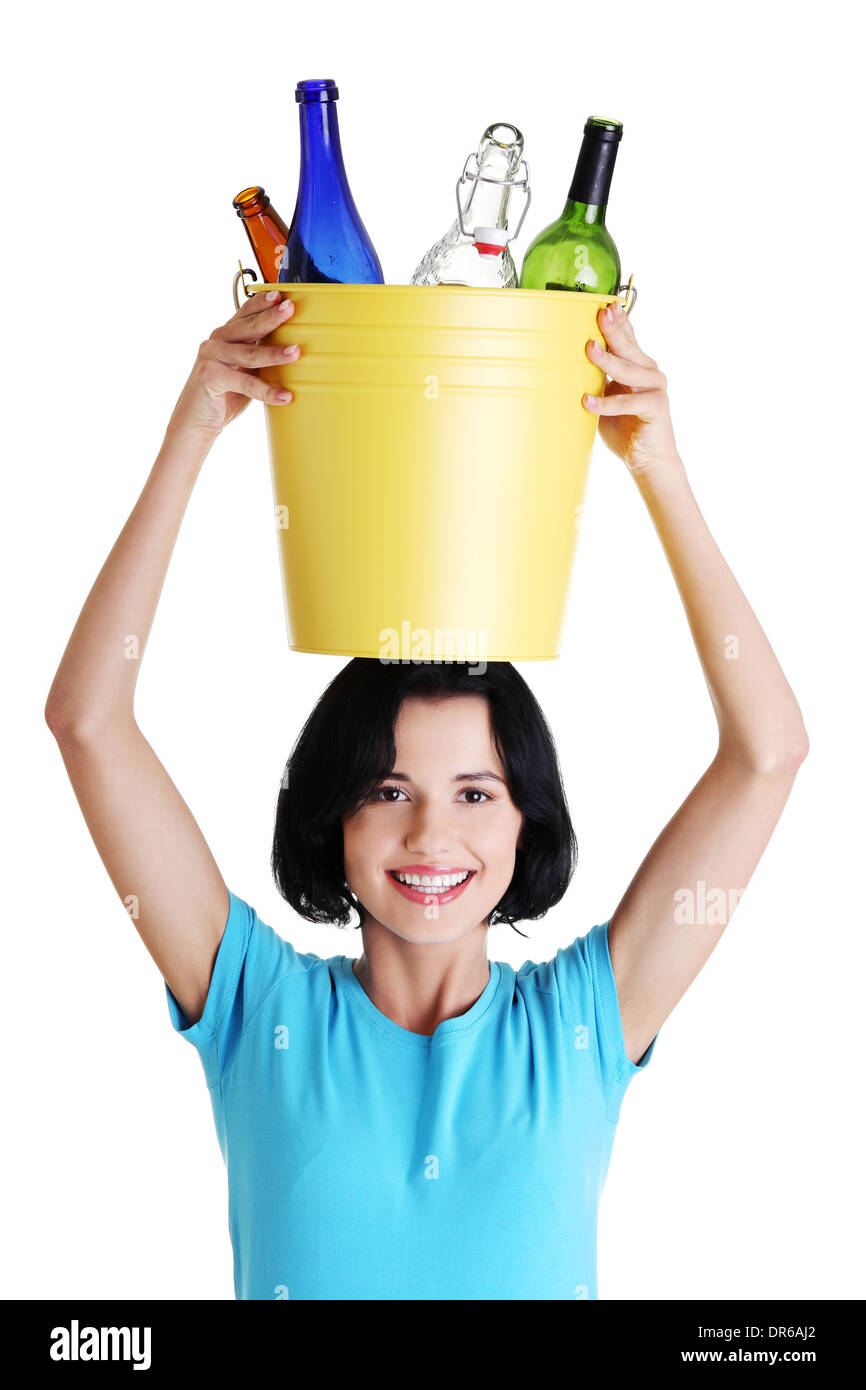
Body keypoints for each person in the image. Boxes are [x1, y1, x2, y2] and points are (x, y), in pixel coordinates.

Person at [45, 289, 808, 1300]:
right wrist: (195, 429)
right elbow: (87, 721)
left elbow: (768, 753)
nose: (430, 834)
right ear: (334, 816)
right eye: (388, 788)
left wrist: (654, 466)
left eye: (475, 793)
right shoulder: (257, 1010)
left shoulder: (583, 1026)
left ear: (526, 819)